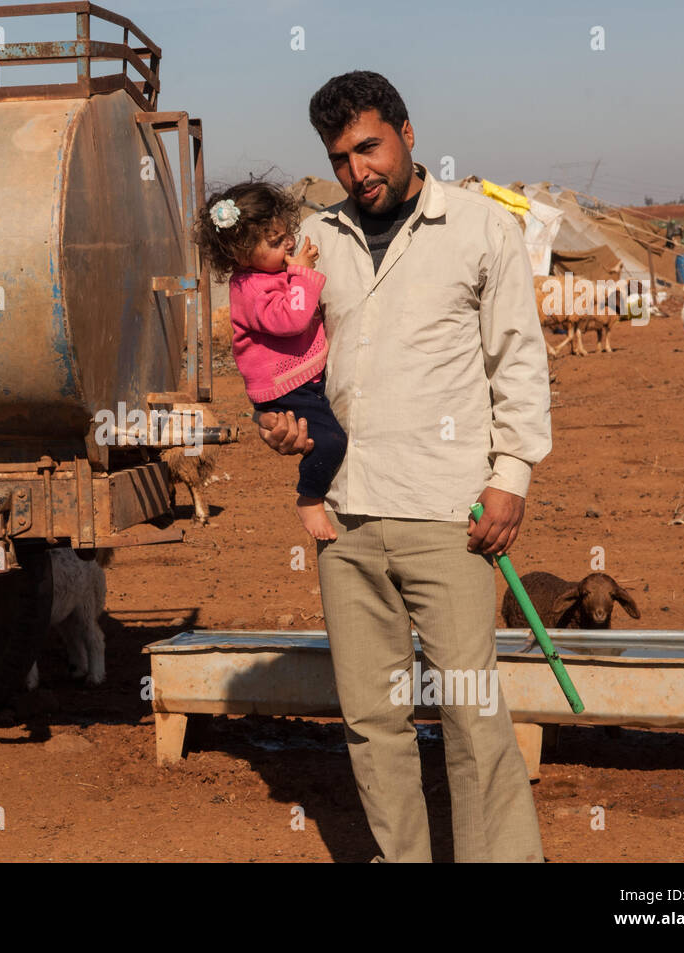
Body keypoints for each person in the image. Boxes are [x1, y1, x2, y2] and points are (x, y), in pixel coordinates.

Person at [256, 71, 553, 862]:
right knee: (372, 719)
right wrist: (281, 427)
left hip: (450, 513)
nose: (359, 171)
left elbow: (518, 360)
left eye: (369, 147)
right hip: (346, 516)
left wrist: (511, 475)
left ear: (409, 133)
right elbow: (288, 365)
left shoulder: (480, 227)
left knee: (469, 713)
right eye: (340, 157)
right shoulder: (314, 242)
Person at [192, 182, 347, 540]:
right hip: (285, 387)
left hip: (295, 380)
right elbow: (291, 319)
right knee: (329, 440)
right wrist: (303, 273)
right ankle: (309, 497)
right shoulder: (249, 288)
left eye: (287, 234)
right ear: (240, 253)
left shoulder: (266, 276)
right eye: (276, 243)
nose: (290, 244)